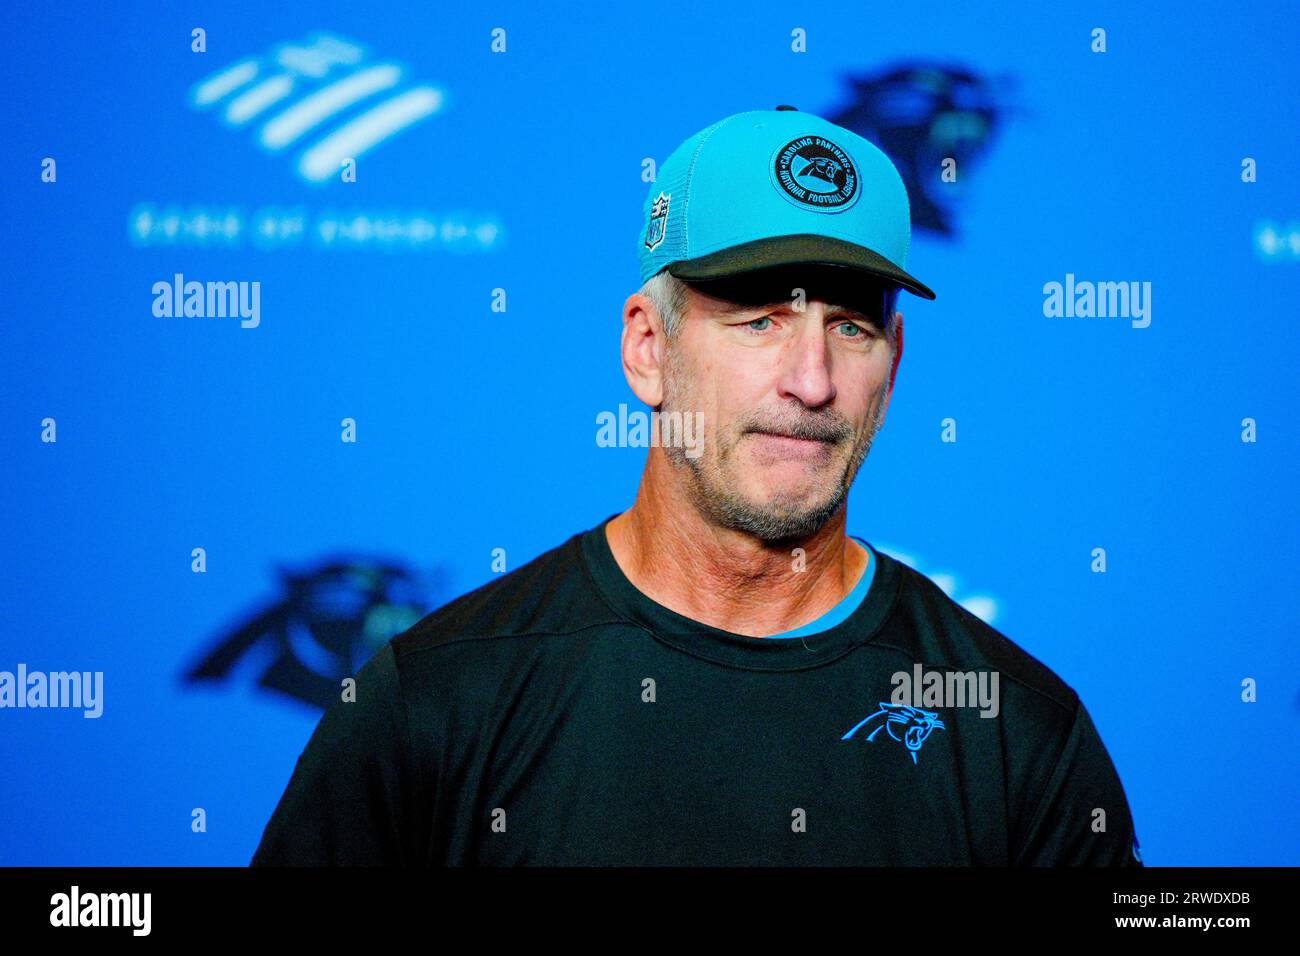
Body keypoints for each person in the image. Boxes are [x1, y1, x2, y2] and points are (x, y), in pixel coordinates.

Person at [251, 106, 1142, 866]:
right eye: (759, 321)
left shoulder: (1013, 729)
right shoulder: (437, 701)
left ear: (894, 363)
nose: (812, 382)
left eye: (850, 328)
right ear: (648, 349)